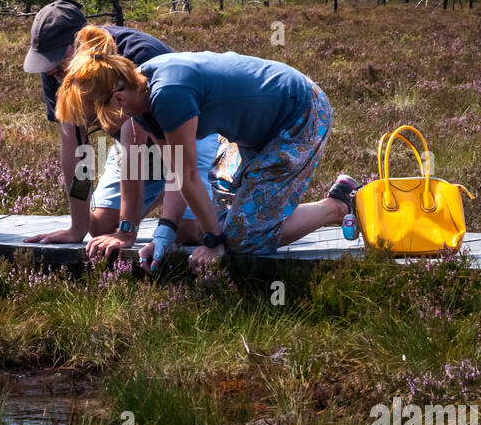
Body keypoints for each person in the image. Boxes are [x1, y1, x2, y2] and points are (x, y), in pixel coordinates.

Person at [56, 48, 360, 271]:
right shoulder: (139, 90)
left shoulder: (166, 95)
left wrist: (214, 243)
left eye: (96, 118)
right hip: (250, 133)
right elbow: (176, 172)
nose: (96, 126)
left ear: (118, 101)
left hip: (298, 114)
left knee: (242, 240)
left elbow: (187, 175)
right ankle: (262, 215)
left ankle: (336, 205)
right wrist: (164, 233)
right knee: (217, 221)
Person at [20, 0, 222, 253]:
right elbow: (77, 152)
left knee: (189, 232)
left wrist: (128, 230)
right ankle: (162, 191)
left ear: (79, 45)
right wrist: (77, 228)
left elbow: (133, 147)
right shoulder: (57, 72)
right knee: (101, 227)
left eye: (56, 61)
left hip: (189, 138)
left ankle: (221, 188)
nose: (50, 71)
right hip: (138, 150)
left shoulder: (138, 55)